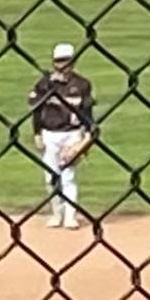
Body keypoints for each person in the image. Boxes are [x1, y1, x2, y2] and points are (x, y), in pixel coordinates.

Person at [27, 42, 98, 230]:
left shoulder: (82, 84)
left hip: (72, 135)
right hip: (49, 134)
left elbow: (88, 114)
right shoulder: (44, 84)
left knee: (68, 177)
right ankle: (56, 213)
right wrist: (37, 134)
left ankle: (70, 216)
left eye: (66, 61)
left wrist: (85, 140)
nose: (62, 65)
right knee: (50, 177)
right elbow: (36, 110)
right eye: (59, 61)